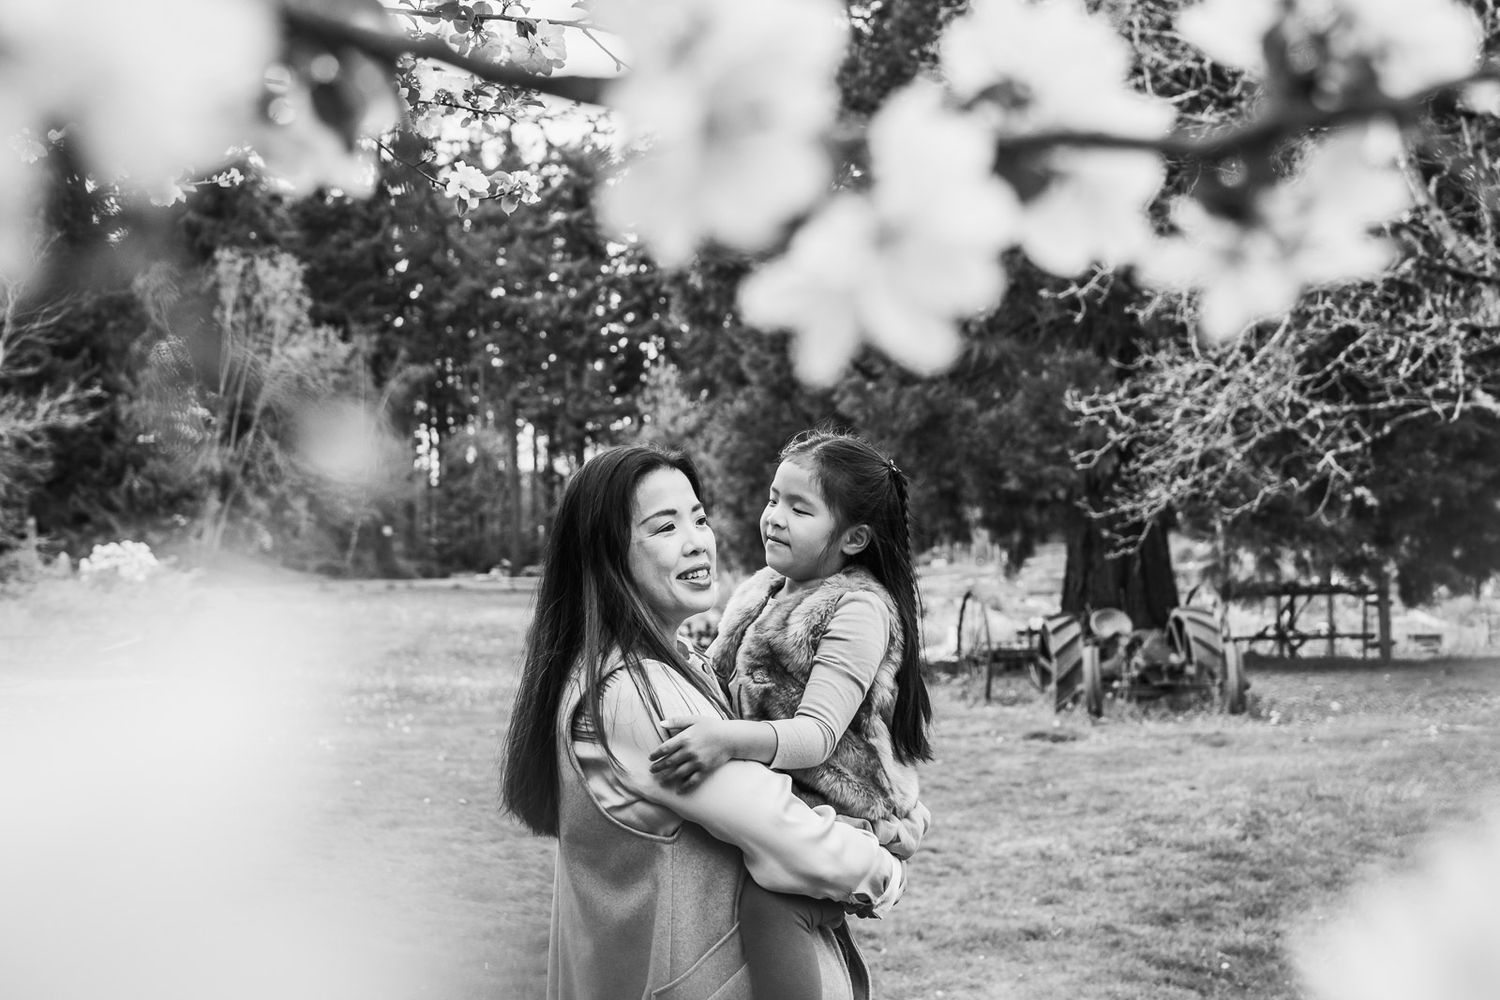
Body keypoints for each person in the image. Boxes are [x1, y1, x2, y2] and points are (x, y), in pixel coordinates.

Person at [500, 445, 907, 1000]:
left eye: (699, 518)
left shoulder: (677, 663)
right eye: (665, 527)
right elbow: (778, 827)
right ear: (605, 555)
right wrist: (885, 868)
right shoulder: (631, 693)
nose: (697, 541)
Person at [647, 429, 933, 1000]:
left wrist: (726, 739)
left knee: (770, 907)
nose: (774, 517)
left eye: (800, 509)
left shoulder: (858, 608)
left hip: (845, 804)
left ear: (853, 538)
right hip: (789, 793)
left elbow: (817, 736)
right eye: (774, 499)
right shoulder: (764, 589)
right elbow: (719, 674)